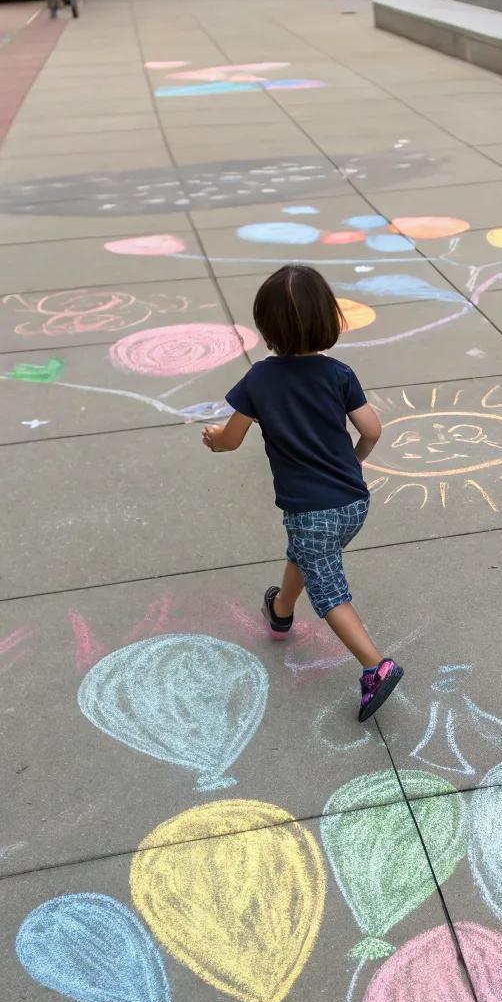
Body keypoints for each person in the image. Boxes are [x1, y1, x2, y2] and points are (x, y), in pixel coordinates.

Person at [201, 264, 404, 723]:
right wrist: (352, 463)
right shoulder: (338, 373)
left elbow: (231, 440)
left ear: (266, 326)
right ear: (328, 319)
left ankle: (376, 666)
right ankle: (280, 610)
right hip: (353, 502)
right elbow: (371, 429)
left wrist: (214, 438)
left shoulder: (260, 380)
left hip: (309, 508)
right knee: (310, 554)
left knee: (329, 590)